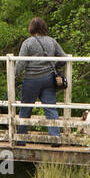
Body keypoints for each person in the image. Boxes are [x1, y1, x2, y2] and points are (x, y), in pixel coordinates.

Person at [16, 17, 66, 145]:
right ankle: (55, 138)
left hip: (31, 80)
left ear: (31, 28)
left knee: (25, 108)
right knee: (50, 108)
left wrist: (15, 76)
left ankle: (21, 139)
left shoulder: (27, 43)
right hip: (48, 78)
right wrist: (56, 67)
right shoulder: (52, 41)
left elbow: (20, 63)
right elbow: (63, 58)